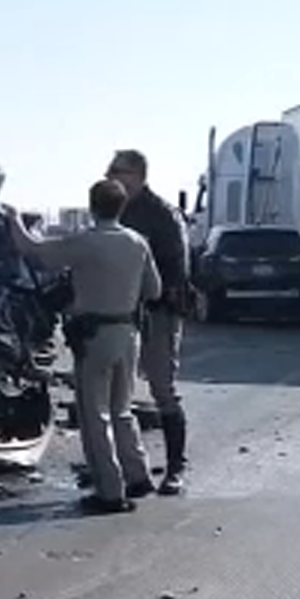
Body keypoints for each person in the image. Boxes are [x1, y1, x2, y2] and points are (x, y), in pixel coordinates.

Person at [4, 180, 161, 513]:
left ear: (92, 207)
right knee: (122, 410)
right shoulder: (138, 243)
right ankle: (138, 475)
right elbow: (154, 290)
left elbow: (33, 250)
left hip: (95, 335)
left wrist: (14, 218)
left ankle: (110, 491)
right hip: (128, 333)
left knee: (94, 416)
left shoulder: (86, 242)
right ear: (121, 207)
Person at [105, 149, 191, 495]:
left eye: (119, 172)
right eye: (111, 172)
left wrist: (155, 297)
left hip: (157, 313)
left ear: (139, 176)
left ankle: (175, 468)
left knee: (162, 390)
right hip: (120, 314)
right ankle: (120, 469)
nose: (112, 177)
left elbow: (177, 272)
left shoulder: (162, 215)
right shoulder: (115, 211)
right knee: (115, 394)